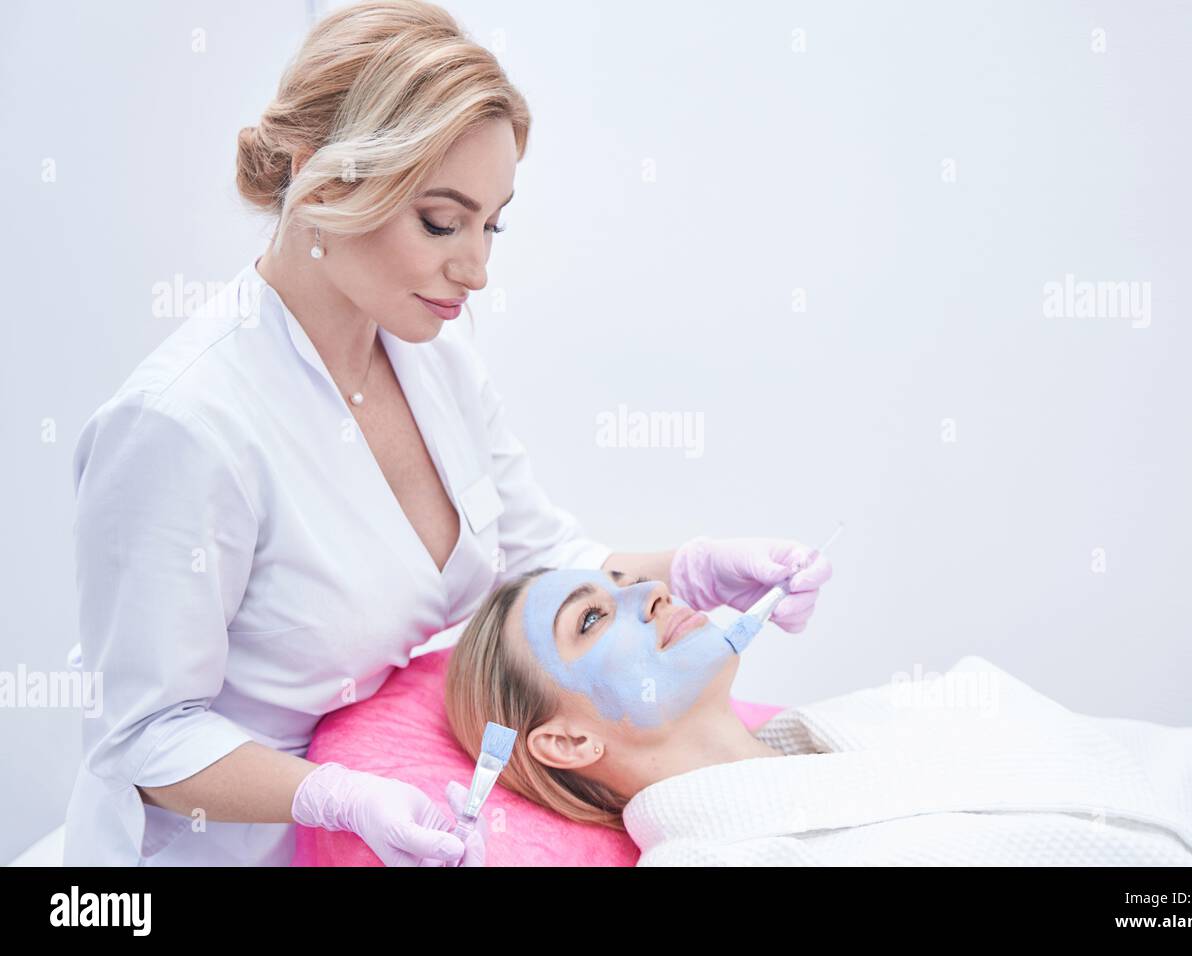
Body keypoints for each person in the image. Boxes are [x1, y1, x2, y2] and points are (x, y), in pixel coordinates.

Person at [64, 0, 832, 866]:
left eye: (491, 223)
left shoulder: (430, 345)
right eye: (441, 222)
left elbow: (537, 555)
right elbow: (146, 735)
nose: (477, 268)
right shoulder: (183, 427)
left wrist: (697, 566)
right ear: (320, 179)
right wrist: (334, 795)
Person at [444, 566, 1192, 866]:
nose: (651, 592)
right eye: (591, 619)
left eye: (628, 583)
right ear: (565, 739)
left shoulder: (907, 710)